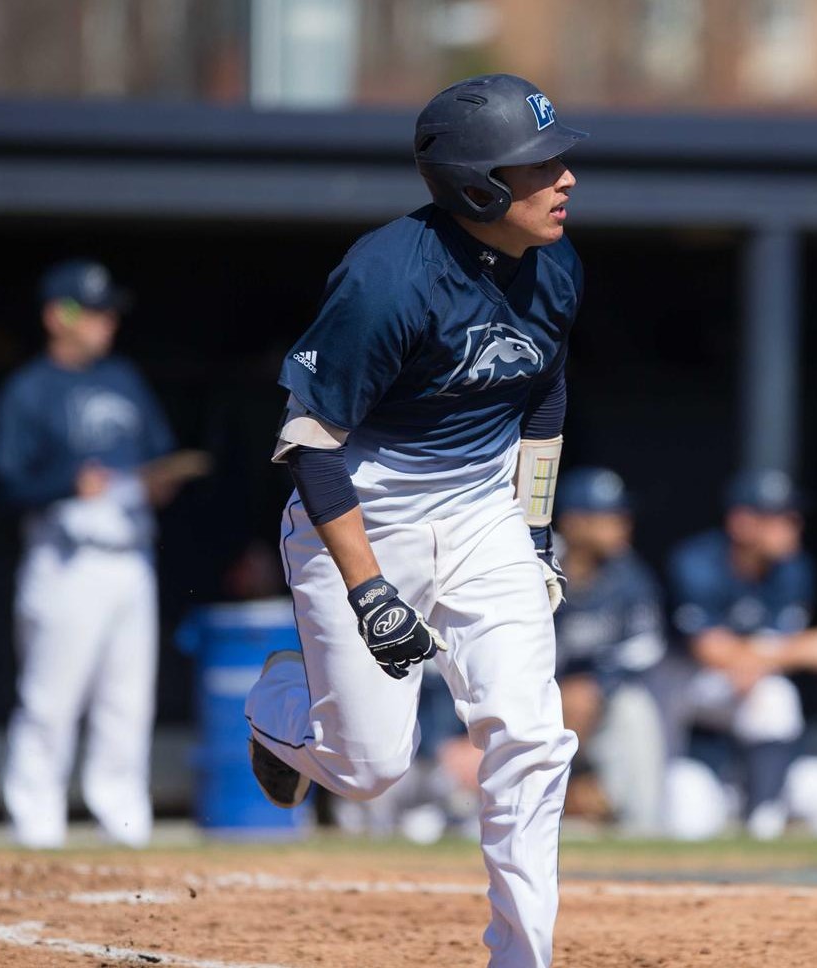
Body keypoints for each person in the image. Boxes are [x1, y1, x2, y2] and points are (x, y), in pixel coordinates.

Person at [243, 74, 585, 968]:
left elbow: (544, 398)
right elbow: (311, 443)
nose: (565, 180)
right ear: (477, 188)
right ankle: (282, 702)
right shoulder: (386, 279)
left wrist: (535, 531)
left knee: (531, 736)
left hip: (482, 517)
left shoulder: (557, 265)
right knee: (367, 772)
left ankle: (522, 959)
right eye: (538, 165)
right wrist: (369, 594)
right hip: (364, 512)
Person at [0, 260, 209, 849]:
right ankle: (35, 822)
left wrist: (162, 480)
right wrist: (68, 482)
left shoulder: (123, 380)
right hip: (67, 557)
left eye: (109, 310)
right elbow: (7, 486)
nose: (107, 321)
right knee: (50, 698)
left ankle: (122, 817)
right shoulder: (29, 389)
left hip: (129, 552)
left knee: (126, 699)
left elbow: (158, 453)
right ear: (56, 316)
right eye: (93, 310)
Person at [658, 469, 817, 839]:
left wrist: (753, 658)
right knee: (687, 813)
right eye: (778, 517)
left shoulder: (793, 568)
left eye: (792, 517)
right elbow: (710, 650)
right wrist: (771, 654)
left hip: (748, 706)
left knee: (776, 698)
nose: (792, 526)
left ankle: (764, 820)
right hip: (689, 704)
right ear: (743, 522)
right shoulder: (698, 561)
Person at [551, 467, 668, 834]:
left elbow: (646, 648)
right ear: (574, 523)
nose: (622, 524)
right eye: (608, 516)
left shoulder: (630, 575)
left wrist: (597, 683)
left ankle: (640, 829)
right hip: (536, 696)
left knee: (637, 709)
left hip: (601, 699)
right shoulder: (532, 568)